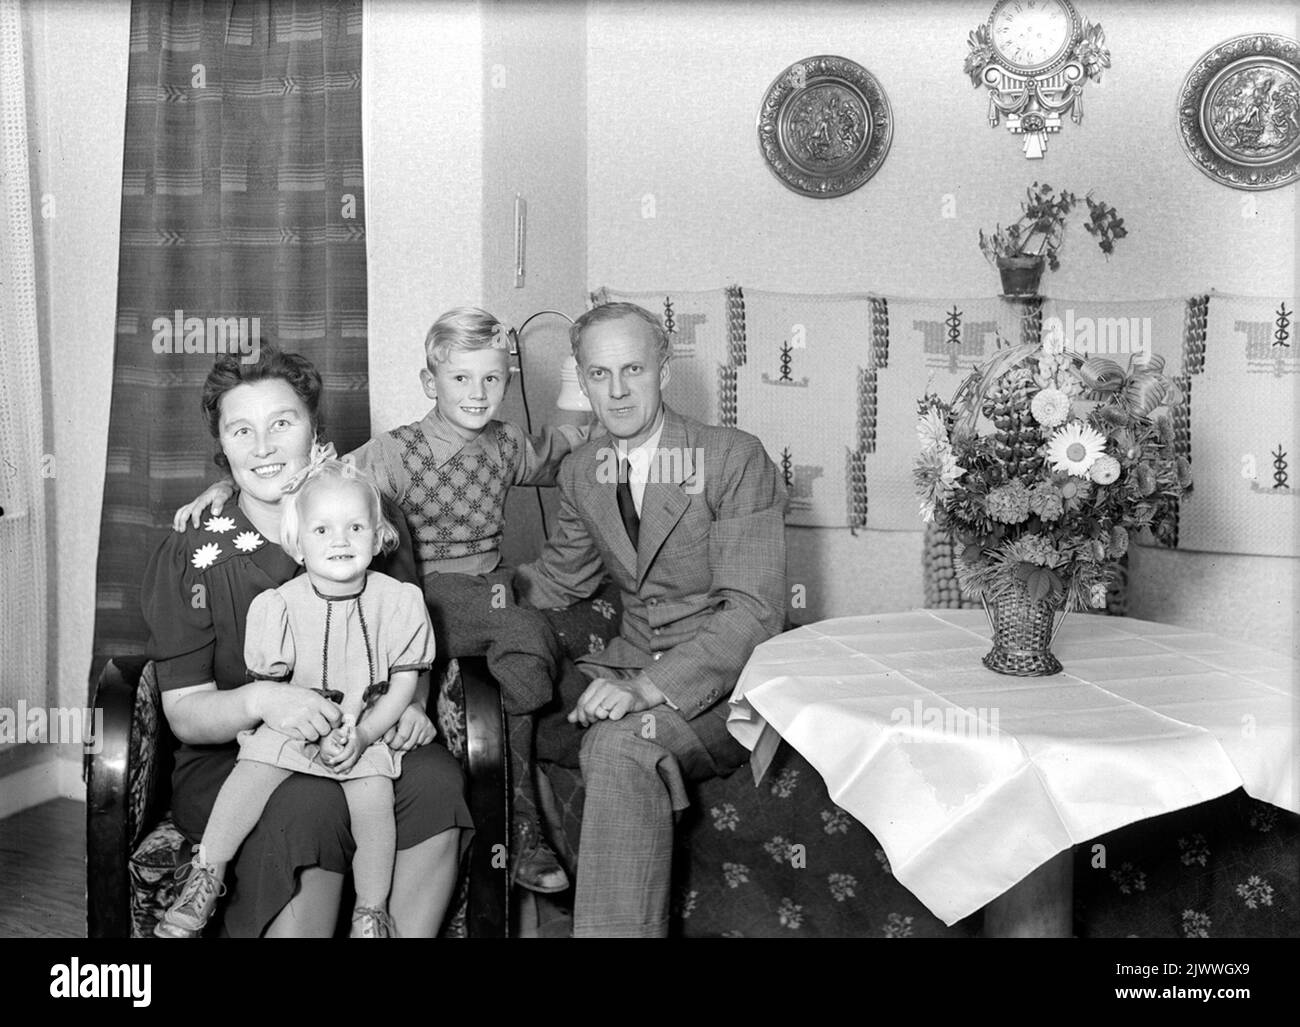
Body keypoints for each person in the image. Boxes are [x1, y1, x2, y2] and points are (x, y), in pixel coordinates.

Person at [172, 308, 586, 892]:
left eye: (491, 379)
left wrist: (601, 426)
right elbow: (321, 480)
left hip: (469, 600)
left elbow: (556, 450)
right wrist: (226, 487)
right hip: (432, 595)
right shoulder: (393, 455)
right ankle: (534, 742)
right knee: (523, 632)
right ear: (429, 383)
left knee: (527, 638)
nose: (477, 393)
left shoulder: (507, 445)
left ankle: (540, 746)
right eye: (461, 379)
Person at [142, 347, 471, 938]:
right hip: (237, 757)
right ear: (223, 445)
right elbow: (186, 712)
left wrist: (414, 703)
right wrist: (265, 702)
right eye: (242, 430)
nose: (263, 447)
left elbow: (407, 643)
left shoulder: (367, 517)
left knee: (436, 780)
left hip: (363, 734)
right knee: (310, 802)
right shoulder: (193, 551)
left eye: (283, 423)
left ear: (315, 429)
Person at [513, 301, 788, 937]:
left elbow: (752, 613)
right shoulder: (583, 470)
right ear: (581, 380)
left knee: (617, 744)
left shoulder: (733, 458)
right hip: (628, 658)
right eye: (599, 373)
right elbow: (562, 578)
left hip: (731, 680)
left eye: (633, 369)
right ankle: (532, 868)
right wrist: (445, 596)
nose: (617, 390)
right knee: (514, 694)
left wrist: (645, 690)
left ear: (664, 370)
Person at [155, 455, 437, 939]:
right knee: (253, 770)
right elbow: (275, 686)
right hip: (296, 724)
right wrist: (299, 723)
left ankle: (371, 912)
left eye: (355, 527)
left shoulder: (399, 601)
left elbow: (405, 683)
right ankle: (207, 873)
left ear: (378, 536)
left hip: (363, 729)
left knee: (374, 802)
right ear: (299, 544)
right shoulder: (280, 606)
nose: (341, 540)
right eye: (322, 530)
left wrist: (366, 734)